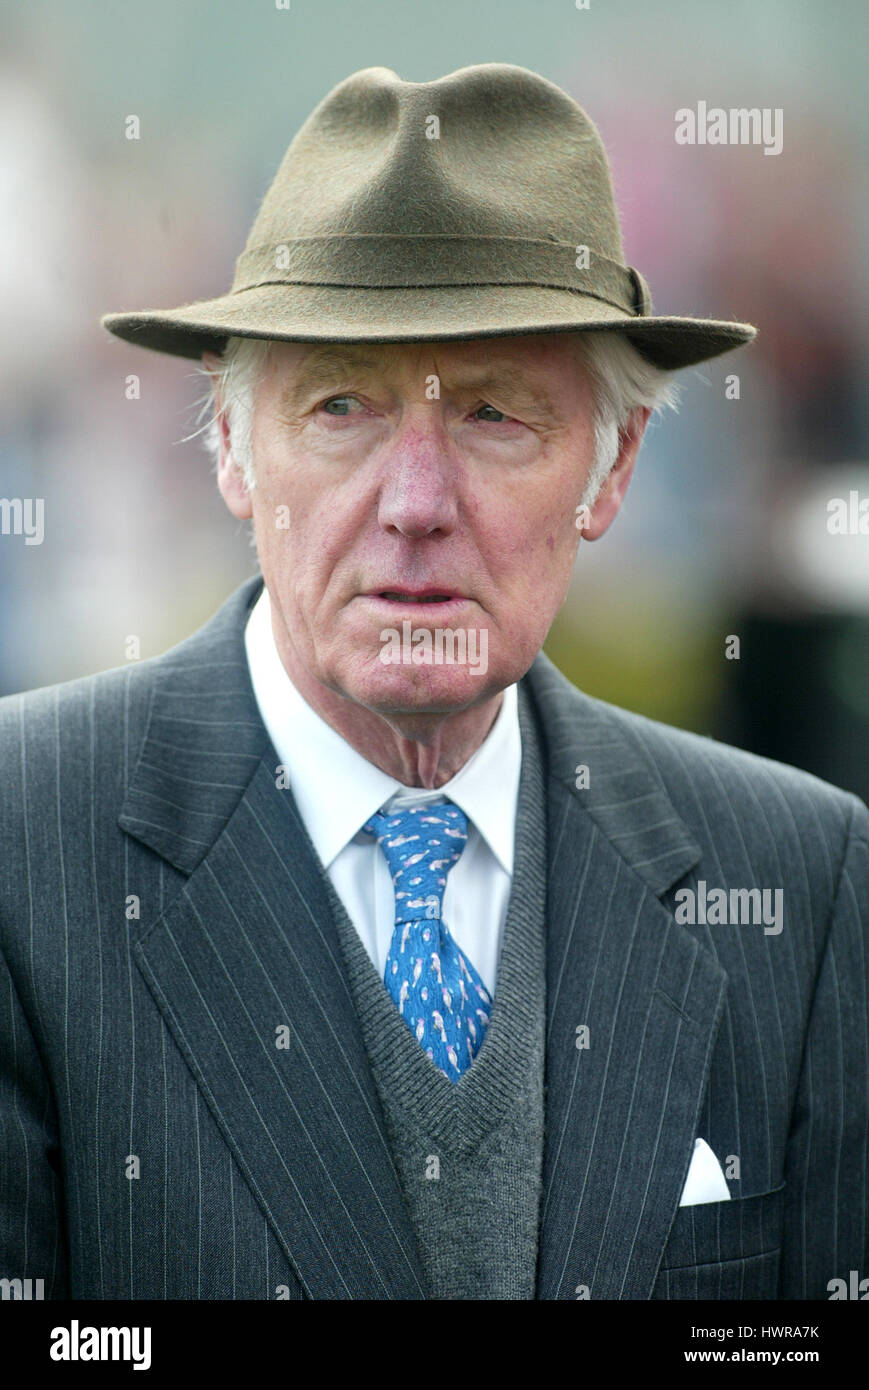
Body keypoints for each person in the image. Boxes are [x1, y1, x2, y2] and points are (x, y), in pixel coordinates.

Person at [1, 62, 866, 1302]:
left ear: (611, 468)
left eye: (493, 414)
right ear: (235, 447)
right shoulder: (21, 849)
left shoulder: (800, 879)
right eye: (341, 406)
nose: (414, 506)